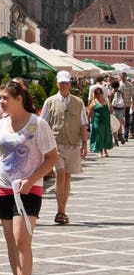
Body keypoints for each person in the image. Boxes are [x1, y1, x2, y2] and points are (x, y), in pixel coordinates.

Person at [0, 81, 57, 275]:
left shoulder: (37, 124)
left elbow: (51, 158)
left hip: (29, 188)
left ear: (19, 99)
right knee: (10, 241)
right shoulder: (0, 126)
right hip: (5, 188)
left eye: (5, 98)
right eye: (1, 98)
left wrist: (33, 179)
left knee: (21, 239)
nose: (1, 102)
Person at [40, 71, 88, 226]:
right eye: (61, 83)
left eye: (66, 83)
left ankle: (63, 210)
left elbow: (83, 124)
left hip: (73, 144)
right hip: (56, 144)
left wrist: (85, 144)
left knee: (67, 177)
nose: (63, 85)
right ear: (57, 84)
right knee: (60, 175)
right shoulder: (50, 101)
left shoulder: (78, 102)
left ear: (70, 84)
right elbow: (42, 124)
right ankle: (60, 211)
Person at [88, 86, 113, 158]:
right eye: (97, 93)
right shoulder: (94, 102)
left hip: (106, 122)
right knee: (99, 136)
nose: (98, 95)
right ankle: (100, 151)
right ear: (95, 94)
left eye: (100, 93)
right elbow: (89, 112)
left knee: (106, 135)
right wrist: (87, 122)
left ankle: (105, 151)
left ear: (102, 93)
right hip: (97, 122)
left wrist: (110, 103)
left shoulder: (107, 100)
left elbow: (111, 111)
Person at [108, 80, 125, 144]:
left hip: (113, 108)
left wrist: (110, 109)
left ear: (112, 85)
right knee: (119, 123)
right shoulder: (121, 92)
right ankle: (120, 135)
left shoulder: (111, 92)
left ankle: (115, 139)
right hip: (120, 108)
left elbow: (109, 102)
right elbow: (124, 101)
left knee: (114, 124)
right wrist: (124, 109)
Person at [119, 71, 133, 141]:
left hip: (127, 104)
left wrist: (133, 105)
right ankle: (120, 135)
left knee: (127, 120)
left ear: (125, 76)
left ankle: (125, 136)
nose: (122, 77)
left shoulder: (130, 85)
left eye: (123, 76)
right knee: (120, 120)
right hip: (119, 105)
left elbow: (133, 96)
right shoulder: (119, 84)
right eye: (121, 76)